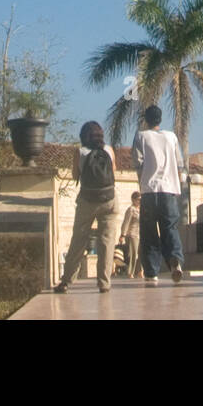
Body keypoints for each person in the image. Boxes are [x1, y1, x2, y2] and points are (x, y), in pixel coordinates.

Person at [54, 121, 119, 294]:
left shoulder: (80, 152)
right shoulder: (109, 150)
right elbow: (114, 173)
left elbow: (76, 175)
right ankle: (104, 283)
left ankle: (67, 281)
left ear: (83, 136)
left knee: (79, 240)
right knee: (107, 242)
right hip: (109, 200)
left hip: (87, 200)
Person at [132, 104, 187, 285]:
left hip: (149, 191)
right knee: (170, 228)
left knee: (148, 233)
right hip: (169, 189)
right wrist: (179, 186)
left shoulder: (141, 136)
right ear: (160, 119)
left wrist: (142, 182)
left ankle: (151, 272)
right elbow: (179, 164)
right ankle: (175, 261)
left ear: (146, 120)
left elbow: (138, 163)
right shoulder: (171, 137)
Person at [119, 192, 142, 278]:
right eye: (138, 199)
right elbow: (126, 222)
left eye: (141, 199)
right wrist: (122, 235)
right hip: (132, 234)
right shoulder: (131, 210)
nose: (140, 201)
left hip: (140, 234)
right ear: (133, 200)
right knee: (133, 253)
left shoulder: (141, 209)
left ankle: (140, 271)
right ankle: (130, 272)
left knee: (141, 253)